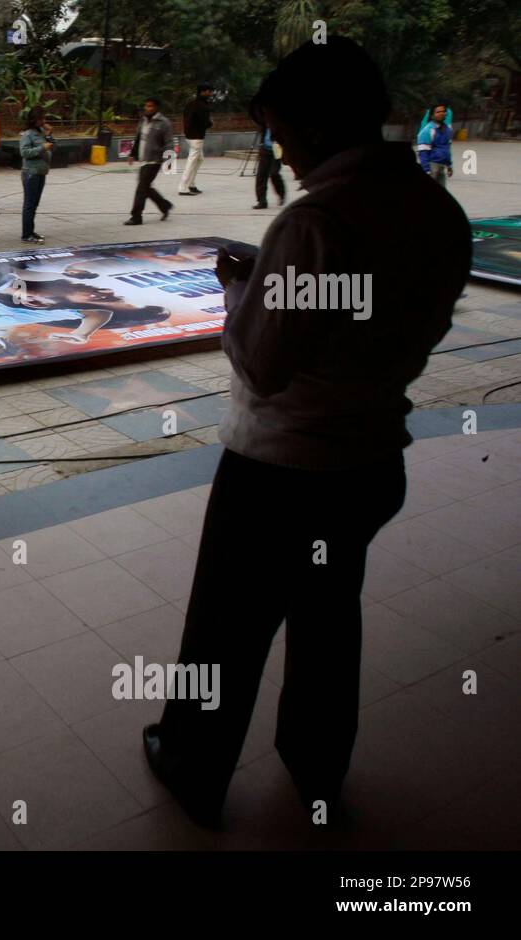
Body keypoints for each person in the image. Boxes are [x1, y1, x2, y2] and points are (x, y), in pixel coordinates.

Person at [141, 36, 472, 829]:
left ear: (318, 130)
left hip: (282, 471)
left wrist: (240, 295)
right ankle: (316, 763)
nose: (279, 153)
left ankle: (192, 763)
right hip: (371, 458)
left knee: (224, 627)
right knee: (329, 621)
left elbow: (260, 364)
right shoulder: (435, 206)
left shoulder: (316, 219)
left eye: (283, 133)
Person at [125, 97, 174, 225]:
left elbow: (169, 143)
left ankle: (136, 216)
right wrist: (132, 154)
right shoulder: (143, 120)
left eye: (151, 106)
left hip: (155, 160)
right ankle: (164, 205)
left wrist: (169, 161)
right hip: (143, 159)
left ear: (157, 107)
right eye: (147, 106)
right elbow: (138, 138)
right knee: (145, 187)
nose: (148, 108)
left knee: (141, 188)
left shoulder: (164, 123)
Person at [18, 106, 54, 243]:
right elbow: (24, 152)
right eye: (41, 118)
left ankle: (31, 231)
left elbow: (53, 147)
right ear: (35, 119)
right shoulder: (27, 134)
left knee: (34, 203)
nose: (44, 121)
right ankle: (26, 234)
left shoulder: (41, 133)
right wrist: (41, 148)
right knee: (29, 203)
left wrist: (50, 134)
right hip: (31, 173)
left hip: (41, 172)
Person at [178, 83, 214, 195]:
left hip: (190, 136)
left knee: (199, 159)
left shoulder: (190, 104)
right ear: (202, 92)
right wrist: (211, 123)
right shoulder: (202, 106)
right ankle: (183, 187)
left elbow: (186, 118)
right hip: (197, 137)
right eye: (209, 91)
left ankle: (191, 185)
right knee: (192, 161)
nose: (210, 93)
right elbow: (205, 122)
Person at [416, 101, 454, 186]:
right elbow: (423, 152)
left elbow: (447, 149)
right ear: (432, 115)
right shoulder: (428, 130)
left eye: (443, 112)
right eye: (438, 112)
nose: (441, 113)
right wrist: (426, 170)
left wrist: (449, 165)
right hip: (432, 165)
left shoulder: (447, 130)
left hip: (442, 166)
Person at [252, 123, 287, 209]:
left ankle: (281, 194)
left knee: (274, 173)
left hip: (277, 149)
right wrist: (261, 145)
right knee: (261, 175)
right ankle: (262, 201)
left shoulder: (278, 120)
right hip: (265, 149)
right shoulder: (264, 121)